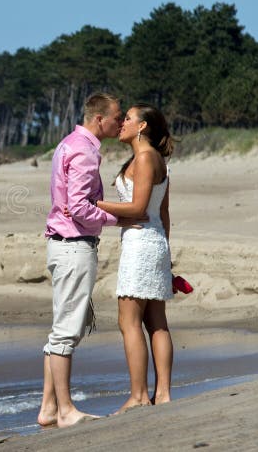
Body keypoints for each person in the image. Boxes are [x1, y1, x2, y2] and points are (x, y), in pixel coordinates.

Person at [37, 92, 124, 428]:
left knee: (60, 329)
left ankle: (49, 408)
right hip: (73, 246)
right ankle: (65, 410)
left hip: (62, 244)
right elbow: (78, 207)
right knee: (66, 332)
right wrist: (121, 218)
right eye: (117, 117)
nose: (120, 123)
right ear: (99, 119)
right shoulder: (84, 150)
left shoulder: (68, 143)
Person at [94, 103, 176, 414]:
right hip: (155, 241)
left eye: (128, 119)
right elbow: (163, 213)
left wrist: (95, 204)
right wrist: (165, 251)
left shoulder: (144, 158)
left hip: (141, 243)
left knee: (128, 321)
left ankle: (139, 395)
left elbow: (139, 208)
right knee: (156, 322)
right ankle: (163, 394)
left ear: (142, 126)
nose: (122, 123)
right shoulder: (156, 160)